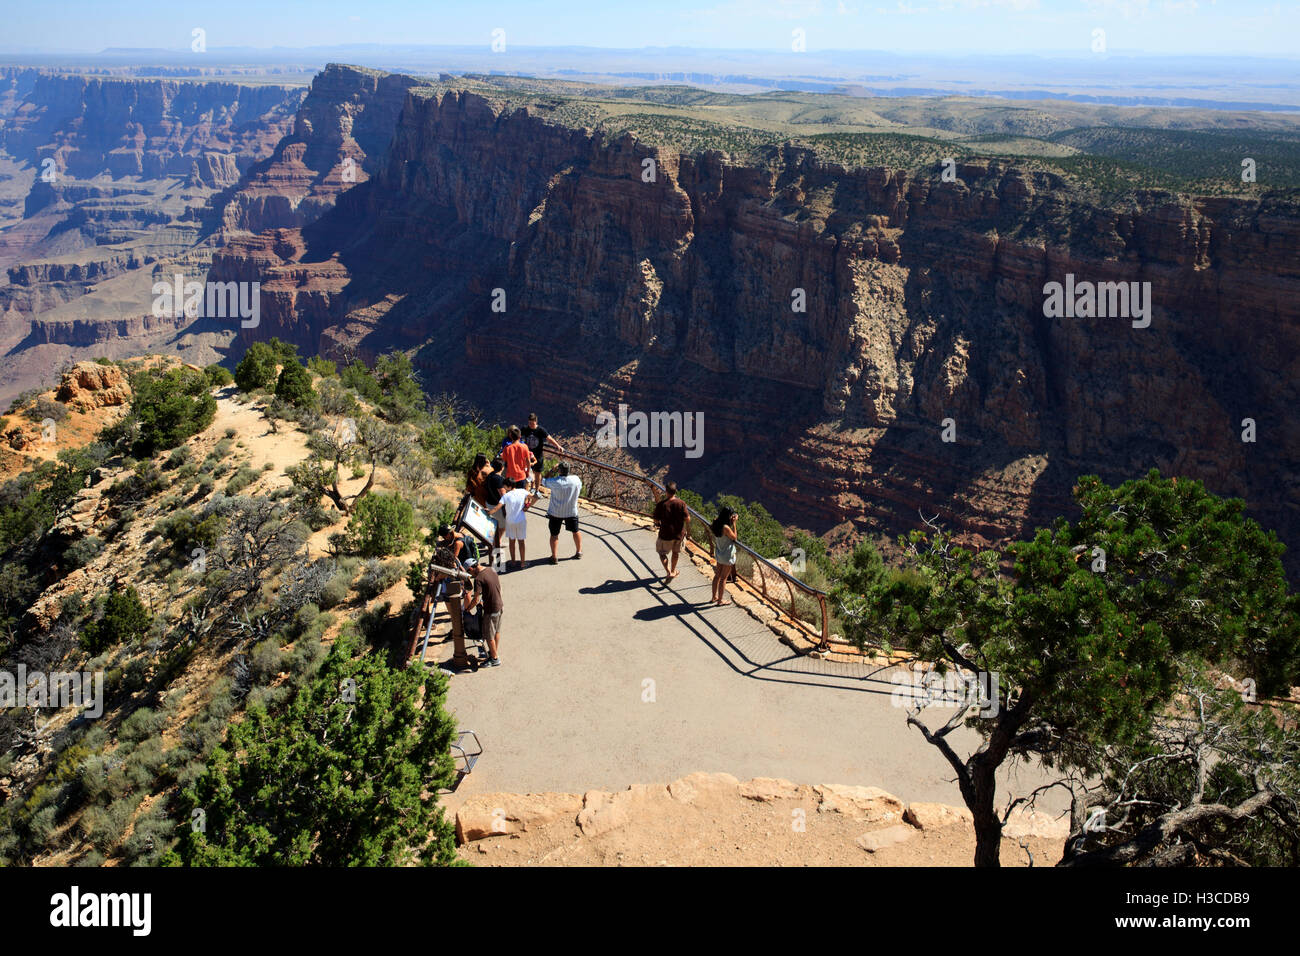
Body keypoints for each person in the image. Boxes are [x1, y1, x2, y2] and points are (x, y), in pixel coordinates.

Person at [488, 478, 536, 568]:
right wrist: (527, 507)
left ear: (508, 486)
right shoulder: (522, 491)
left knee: (512, 542)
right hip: (521, 520)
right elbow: (535, 497)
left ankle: (513, 561)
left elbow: (496, 508)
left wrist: (488, 512)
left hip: (510, 521)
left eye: (505, 486)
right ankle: (522, 563)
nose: (504, 488)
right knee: (521, 542)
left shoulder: (506, 496)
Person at [541, 461, 582, 564]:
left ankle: (554, 556)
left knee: (554, 535)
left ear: (559, 470)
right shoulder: (576, 480)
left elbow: (543, 480)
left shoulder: (555, 482)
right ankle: (579, 551)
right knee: (575, 531)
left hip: (556, 512)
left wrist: (551, 470)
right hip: (571, 511)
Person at [651, 481, 690, 585]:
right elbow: (688, 518)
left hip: (665, 534)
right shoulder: (681, 503)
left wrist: (660, 522)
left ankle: (668, 571)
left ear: (666, 491)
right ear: (675, 491)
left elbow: (655, 519)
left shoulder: (662, 505)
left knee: (662, 553)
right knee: (675, 552)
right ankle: (673, 571)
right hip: (678, 534)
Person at [466, 562, 504, 666]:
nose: (471, 576)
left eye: (469, 573)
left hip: (490, 609)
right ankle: (494, 652)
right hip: (499, 605)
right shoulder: (491, 570)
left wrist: (468, 609)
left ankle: (494, 658)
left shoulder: (478, 579)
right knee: (496, 631)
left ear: (470, 568)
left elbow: (476, 599)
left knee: (488, 635)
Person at [521, 413, 564, 494]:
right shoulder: (525, 429)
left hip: (538, 455)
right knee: (527, 473)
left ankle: (536, 490)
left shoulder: (540, 430)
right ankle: (527, 491)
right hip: (527, 455)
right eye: (529, 423)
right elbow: (517, 436)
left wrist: (558, 446)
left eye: (532, 423)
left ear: (536, 422)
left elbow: (549, 438)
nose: (530, 425)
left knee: (537, 473)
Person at [710, 507, 738, 605]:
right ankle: (720, 600)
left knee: (717, 576)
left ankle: (714, 597)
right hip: (727, 555)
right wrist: (734, 523)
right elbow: (734, 538)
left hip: (719, 553)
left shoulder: (716, 522)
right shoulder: (726, 527)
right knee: (723, 578)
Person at [484, 456, 507, 549]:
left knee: (493, 524)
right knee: (502, 526)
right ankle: (495, 543)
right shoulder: (498, 479)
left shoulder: (490, 475)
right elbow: (503, 495)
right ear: (502, 467)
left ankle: (491, 541)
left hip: (489, 502)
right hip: (496, 506)